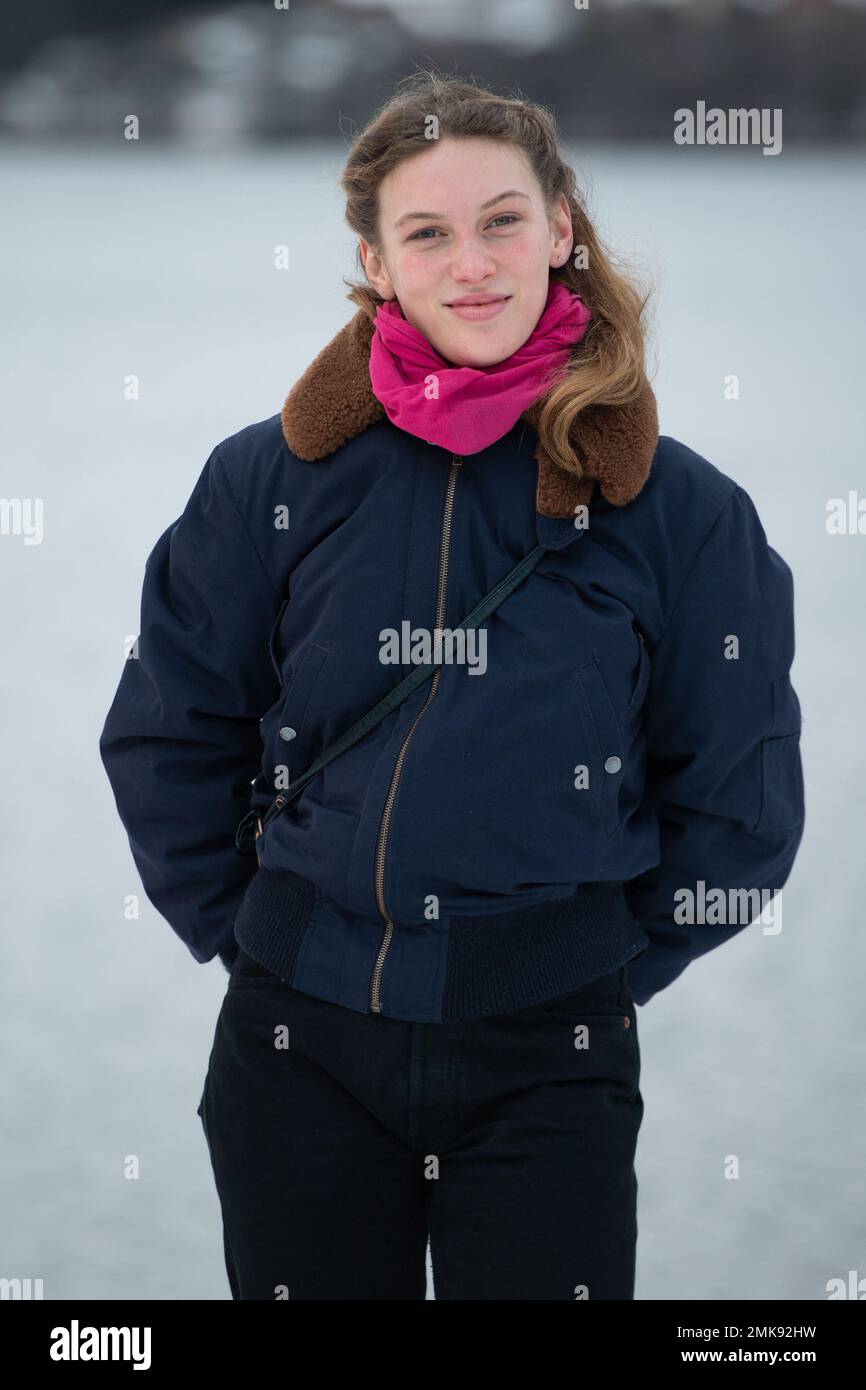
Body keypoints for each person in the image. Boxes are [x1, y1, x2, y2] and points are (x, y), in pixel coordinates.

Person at [99, 72, 804, 1300]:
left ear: (559, 230)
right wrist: (259, 939)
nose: (470, 263)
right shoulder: (266, 481)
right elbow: (170, 730)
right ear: (376, 262)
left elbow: (736, 804)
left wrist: (586, 965)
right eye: (426, 233)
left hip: (551, 1058)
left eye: (501, 221)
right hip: (297, 1045)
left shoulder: (680, 513)